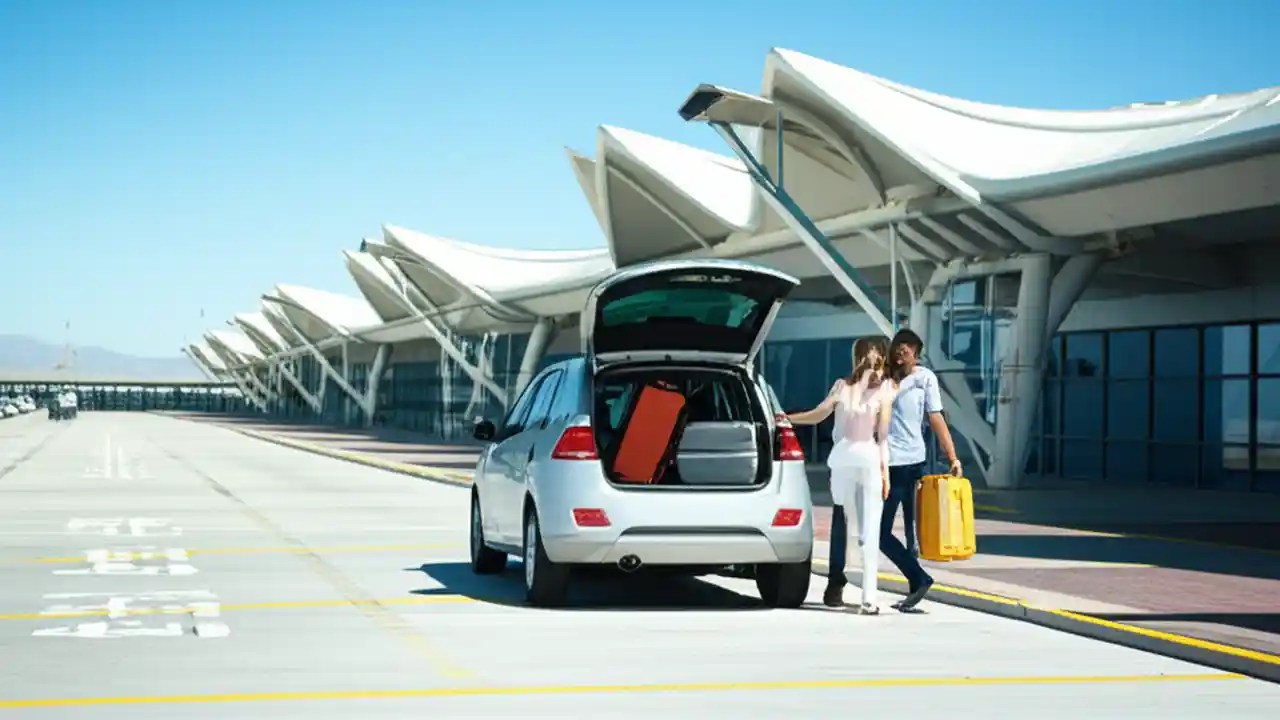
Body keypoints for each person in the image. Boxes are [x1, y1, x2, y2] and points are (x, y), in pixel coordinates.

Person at [785, 336, 895, 614]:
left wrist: (886, 473)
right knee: (856, 527)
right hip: (856, 460)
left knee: (856, 528)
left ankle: (857, 590)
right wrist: (788, 418)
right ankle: (853, 589)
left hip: (856, 459)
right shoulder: (862, 388)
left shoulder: (864, 389)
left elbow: (820, 415)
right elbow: (822, 415)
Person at [881, 328, 963, 612]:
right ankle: (916, 580)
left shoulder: (924, 378)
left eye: (908, 346)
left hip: (909, 461)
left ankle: (918, 578)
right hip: (883, 461)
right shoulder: (883, 378)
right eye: (898, 345)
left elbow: (936, 417)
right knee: (887, 531)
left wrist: (952, 456)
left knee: (899, 530)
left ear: (917, 352)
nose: (902, 350)